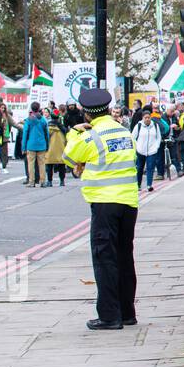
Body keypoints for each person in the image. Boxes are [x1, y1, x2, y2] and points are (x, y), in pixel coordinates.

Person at [65, 88, 139, 330]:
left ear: (86, 114)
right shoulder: (124, 132)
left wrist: (75, 132)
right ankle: (127, 312)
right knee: (125, 257)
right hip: (129, 202)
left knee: (104, 259)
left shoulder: (91, 135)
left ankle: (109, 315)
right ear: (108, 109)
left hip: (105, 204)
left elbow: (68, 156)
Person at [131, 109, 165, 192]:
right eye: (145, 117)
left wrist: (156, 147)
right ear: (142, 118)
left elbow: (158, 137)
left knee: (150, 168)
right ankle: (138, 184)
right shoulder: (138, 126)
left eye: (148, 117)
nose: (147, 119)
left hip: (152, 151)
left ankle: (149, 185)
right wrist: (137, 147)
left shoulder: (155, 126)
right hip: (140, 151)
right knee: (139, 168)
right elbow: (133, 138)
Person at [22, 102, 51, 188]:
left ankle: (32, 182)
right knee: (42, 164)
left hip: (31, 145)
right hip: (41, 144)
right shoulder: (43, 120)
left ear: (31, 109)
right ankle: (42, 181)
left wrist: (23, 146)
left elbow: (25, 134)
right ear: (39, 109)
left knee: (31, 164)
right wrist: (47, 145)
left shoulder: (28, 120)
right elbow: (47, 134)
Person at [45, 108, 68, 186]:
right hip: (61, 149)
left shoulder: (48, 128)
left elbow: (46, 138)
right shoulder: (63, 129)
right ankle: (62, 181)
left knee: (49, 166)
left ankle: (49, 181)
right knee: (61, 165)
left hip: (50, 149)